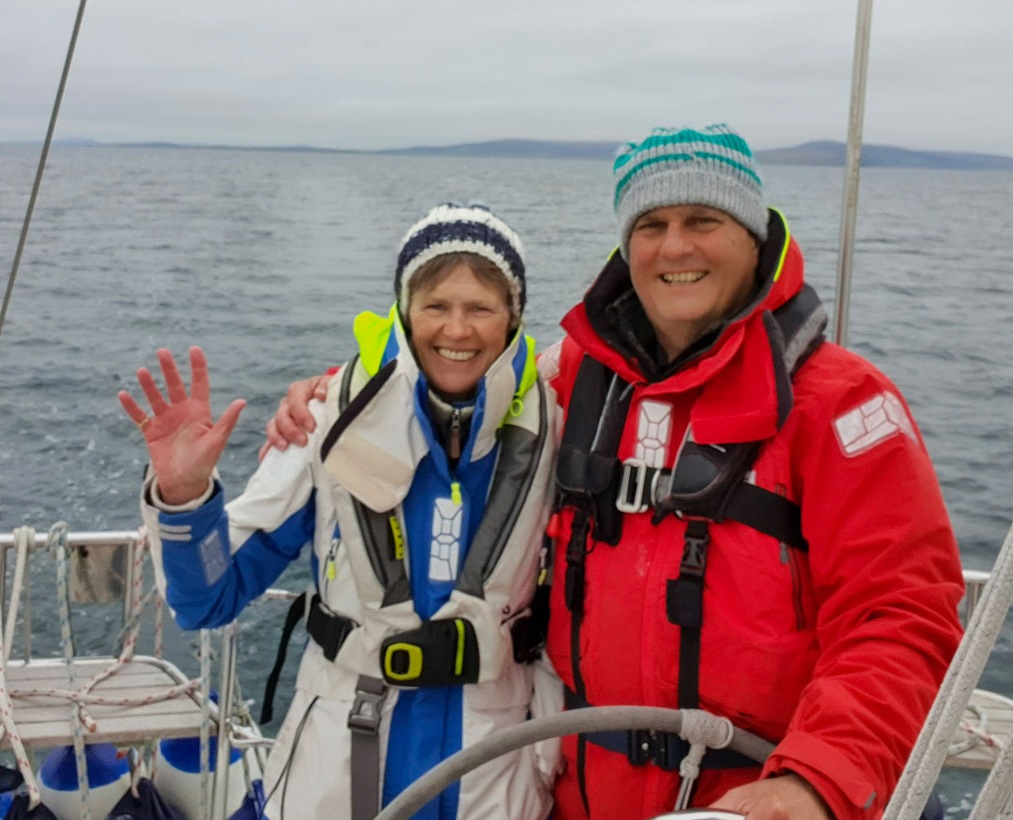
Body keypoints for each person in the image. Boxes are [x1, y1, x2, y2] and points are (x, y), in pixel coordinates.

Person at [262, 125, 965, 820]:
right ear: (627, 247)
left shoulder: (841, 407)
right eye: (651, 223)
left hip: (755, 800)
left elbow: (901, 618)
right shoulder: (579, 379)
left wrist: (816, 782)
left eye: (703, 220)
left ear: (754, 237)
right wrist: (333, 397)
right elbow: (454, 382)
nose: (675, 246)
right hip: (577, 795)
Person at [119, 204, 562, 820]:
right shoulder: (328, 423)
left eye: (480, 308)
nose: (456, 330)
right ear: (404, 314)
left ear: (512, 318)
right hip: (337, 762)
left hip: (496, 770)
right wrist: (185, 498)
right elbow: (208, 599)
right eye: (436, 305)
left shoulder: (561, 427)